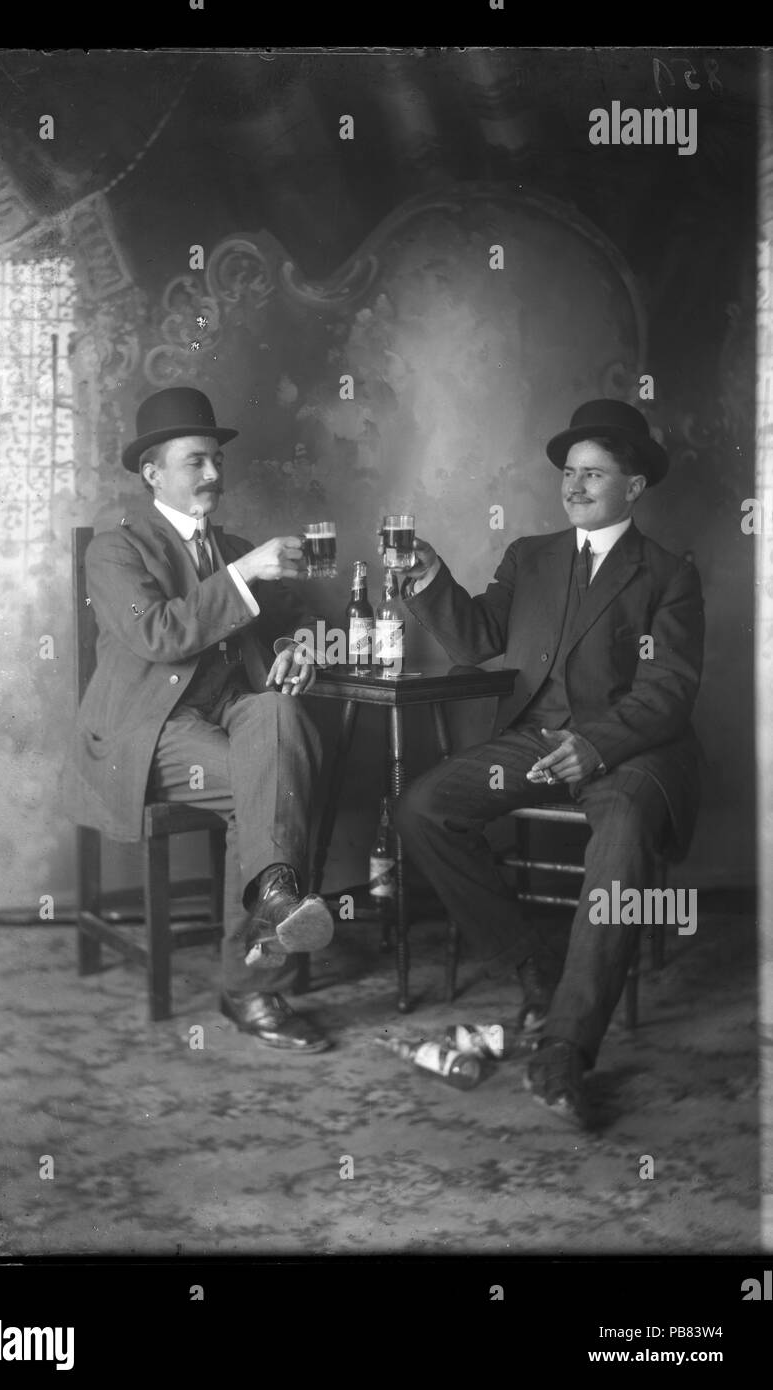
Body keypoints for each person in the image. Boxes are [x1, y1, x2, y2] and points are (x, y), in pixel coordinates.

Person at [395, 399, 705, 1128]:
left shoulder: (668, 574)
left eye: (594, 474)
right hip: (536, 742)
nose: (575, 486)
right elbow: (476, 638)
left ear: (633, 486)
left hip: (630, 751)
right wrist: (434, 578)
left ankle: (567, 1044)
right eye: (569, 473)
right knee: (422, 808)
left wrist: (597, 746)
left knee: (623, 826)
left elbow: (670, 694)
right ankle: (533, 964)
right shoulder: (529, 557)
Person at [66, 387, 334, 1053]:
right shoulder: (115, 550)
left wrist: (295, 649)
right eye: (196, 462)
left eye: (216, 460)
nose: (213, 474)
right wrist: (244, 573)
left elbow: (292, 622)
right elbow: (159, 634)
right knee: (267, 785)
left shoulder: (236, 547)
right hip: (148, 732)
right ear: (153, 473)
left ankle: (273, 891)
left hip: (227, 715)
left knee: (278, 714)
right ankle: (252, 979)